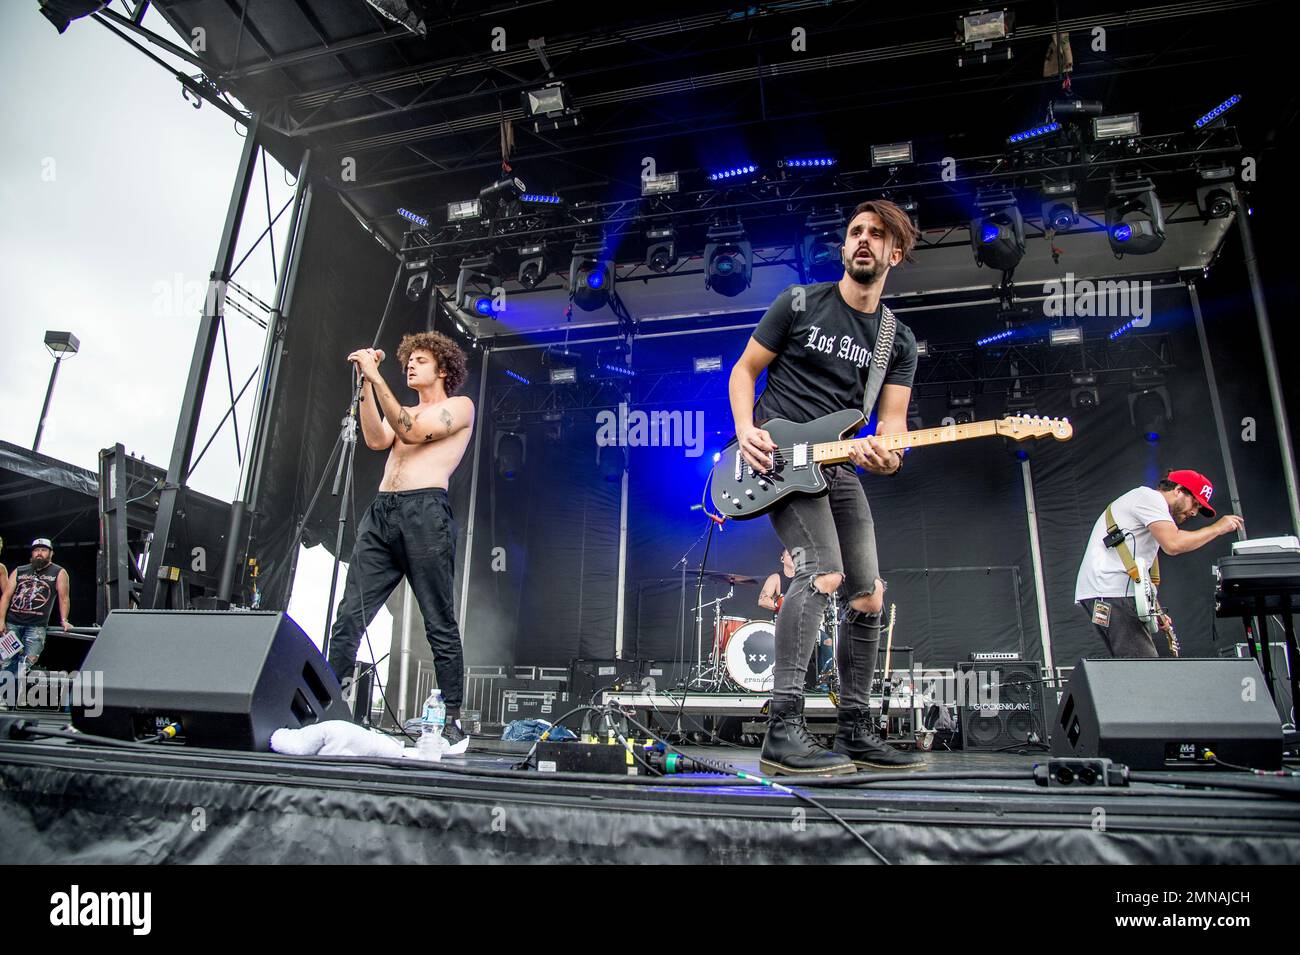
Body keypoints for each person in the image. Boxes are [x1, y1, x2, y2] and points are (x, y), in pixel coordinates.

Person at [728, 199, 924, 775]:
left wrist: (888, 456)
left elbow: (891, 428)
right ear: (844, 246)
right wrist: (746, 431)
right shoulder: (799, 303)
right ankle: (783, 729)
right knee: (823, 572)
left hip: (838, 466)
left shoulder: (898, 340)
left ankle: (855, 729)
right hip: (779, 459)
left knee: (867, 594)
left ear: (896, 252)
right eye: (855, 231)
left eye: (878, 234)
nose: (864, 239)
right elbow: (744, 371)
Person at [327, 332, 475, 754]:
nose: (410, 365)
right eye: (408, 360)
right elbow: (377, 438)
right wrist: (365, 385)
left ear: (442, 369)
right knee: (349, 616)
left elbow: (410, 433)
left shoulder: (458, 407)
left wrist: (378, 376)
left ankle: (451, 718)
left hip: (425, 513)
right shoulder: (404, 409)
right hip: (383, 513)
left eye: (421, 360)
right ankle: (323, 708)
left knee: (438, 621)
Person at [1075, 470, 1244, 657]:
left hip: (1107, 592)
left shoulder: (1148, 509)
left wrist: (1154, 606)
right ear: (1178, 490)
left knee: (1132, 668)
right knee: (1145, 670)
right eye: (1195, 503)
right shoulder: (1149, 497)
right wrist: (1217, 528)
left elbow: (1137, 566)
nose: (1195, 512)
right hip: (1111, 591)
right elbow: (1173, 544)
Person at [758, 549, 832, 686]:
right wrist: (779, 604)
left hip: (805, 624)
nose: (793, 557)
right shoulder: (776, 578)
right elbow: (762, 600)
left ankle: (823, 682)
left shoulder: (807, 578)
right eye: (789, 555)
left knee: (827, 640)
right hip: (783, 624)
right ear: (782, 559)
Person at [0, 538, 71, 677]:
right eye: (36, 550)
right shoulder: (20, 570)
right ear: (32, 553)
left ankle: (16, 696)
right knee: (6, 661)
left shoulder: (59, 572)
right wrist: (1, 620)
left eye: (43, 550)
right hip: (12, 623)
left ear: (51, 553)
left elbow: (64, 598)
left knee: (27, 662)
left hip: (36, 627)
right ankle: (4, 696)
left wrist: (64, 619)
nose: (39, 553)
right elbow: (6, 596)